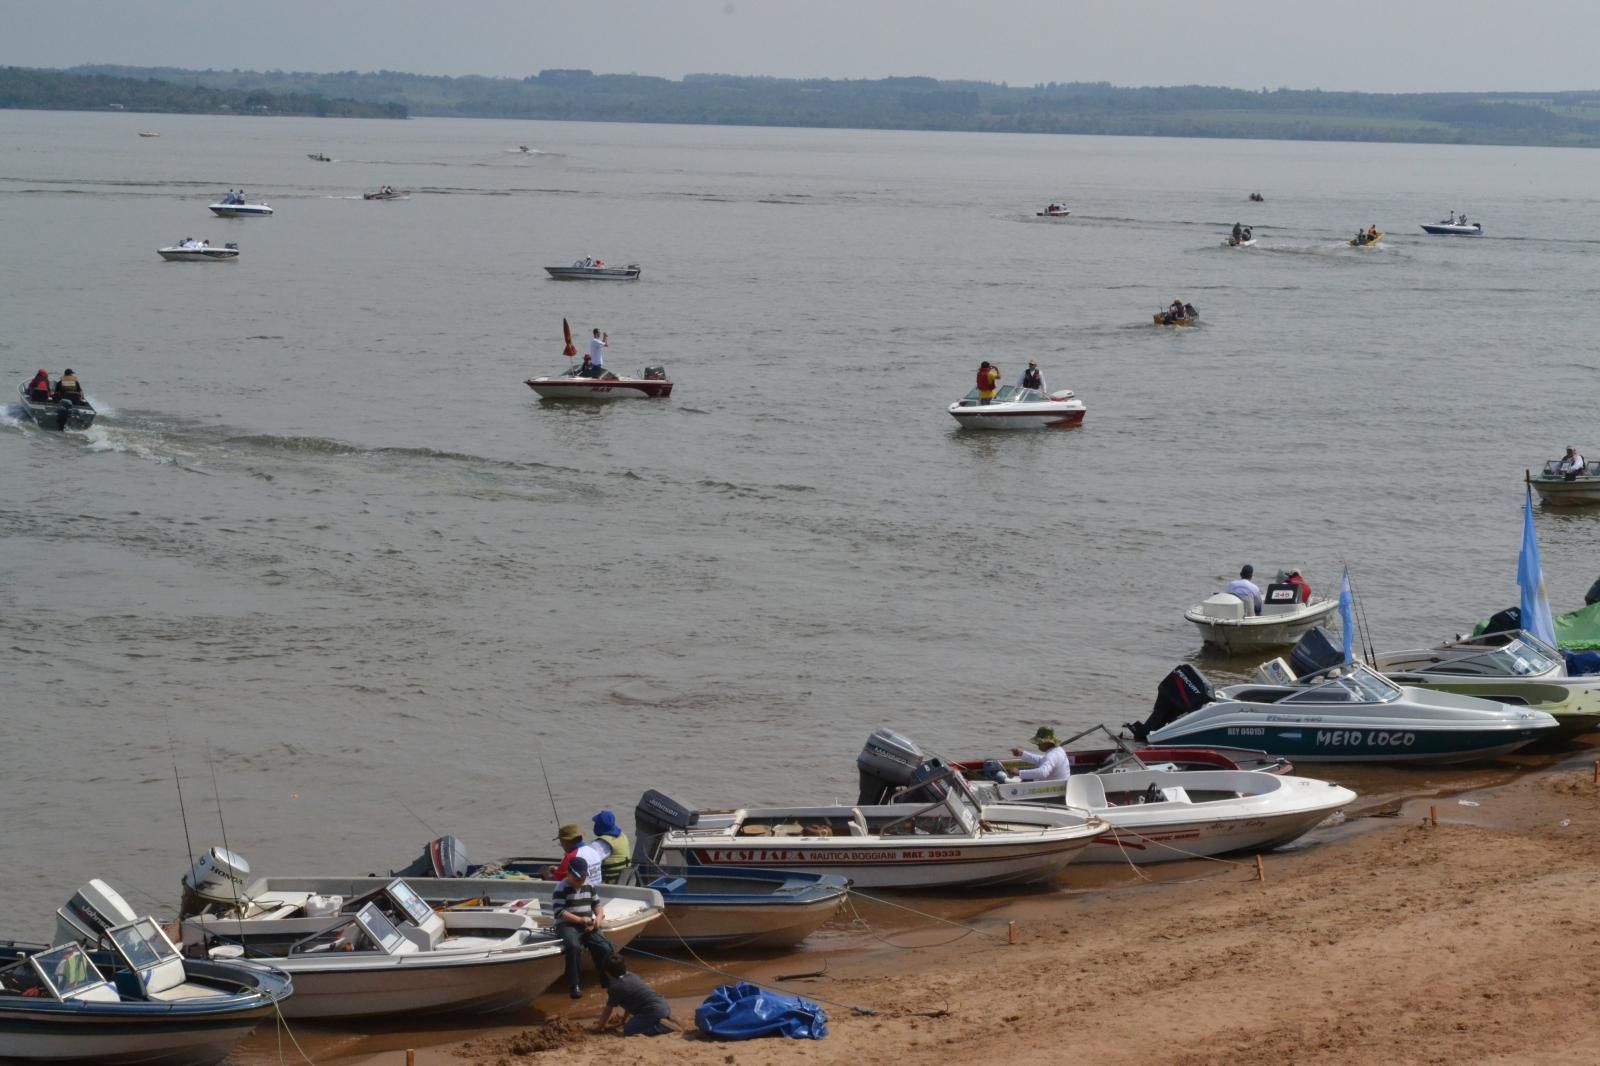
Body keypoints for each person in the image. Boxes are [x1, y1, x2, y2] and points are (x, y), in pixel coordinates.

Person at [552, 856, 612, 998]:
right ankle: (575, 984)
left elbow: (597, 905)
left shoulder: (589, 885)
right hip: (567, 925)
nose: (580, 881)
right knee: (573, 946)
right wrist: (579, 920)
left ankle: (606, 979)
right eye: (577, 878)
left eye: (583, 878)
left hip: (588, 924)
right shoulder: (561, 888)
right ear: (569, 874)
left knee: (605, 946)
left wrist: (598, 920)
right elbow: (559, 912)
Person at [594, 954, 679, 1036]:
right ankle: (663, 1018)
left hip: (654, 1011)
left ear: (607, 972)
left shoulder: (616, 987)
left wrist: (599, 1028)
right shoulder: (632, 975)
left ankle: (663, 1028)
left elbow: (608, 1010)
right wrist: (624, 1020)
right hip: (663, 1005)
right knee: (635, 1020)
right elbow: (629, 1003)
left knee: (628, 1030)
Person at [592, 810, 633, 885]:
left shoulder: (601, 844)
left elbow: (588, 860)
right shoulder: (622, 836)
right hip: (624, 880)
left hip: (609, 883)